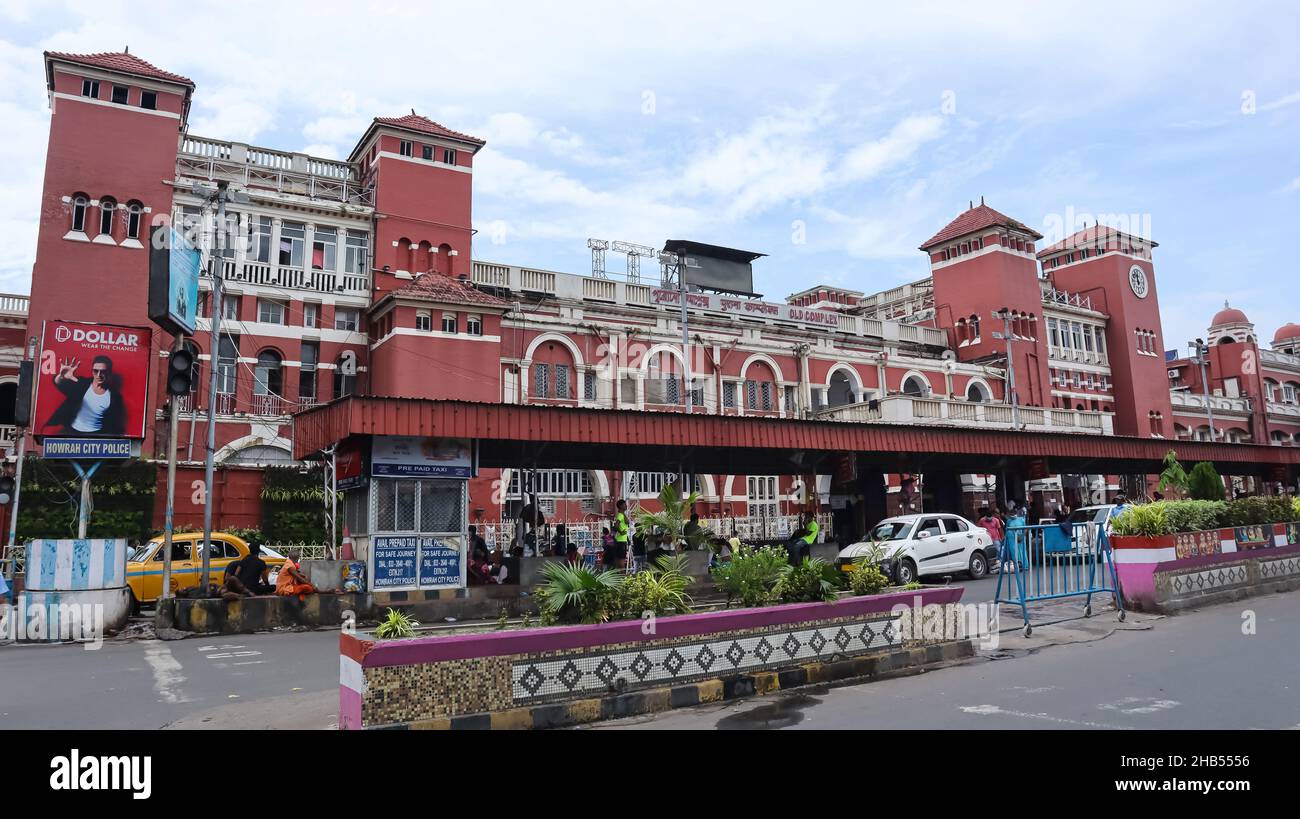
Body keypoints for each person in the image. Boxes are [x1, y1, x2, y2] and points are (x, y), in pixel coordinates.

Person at [46, 355, 127, 435]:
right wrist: (61, 376)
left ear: (109, 372)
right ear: (92, 371)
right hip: (73, 431)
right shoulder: (82, 384)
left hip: (97, 435)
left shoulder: (115, 397)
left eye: (103, 371)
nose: (99, 375)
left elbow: (115, 422)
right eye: (95, 371)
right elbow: (59, 384)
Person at [612, 500, 631, 564]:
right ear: (620, 506)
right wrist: (620, 532)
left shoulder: (622, 514)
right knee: (621, 560)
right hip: (621, 541)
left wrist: (627, 539)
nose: (626, 505)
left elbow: (623, 527)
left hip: (621, 540)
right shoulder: (620, 515)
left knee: (619, 559)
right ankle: (622, 573)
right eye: (624, 504)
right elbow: (616, 525)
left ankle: (619, 573)